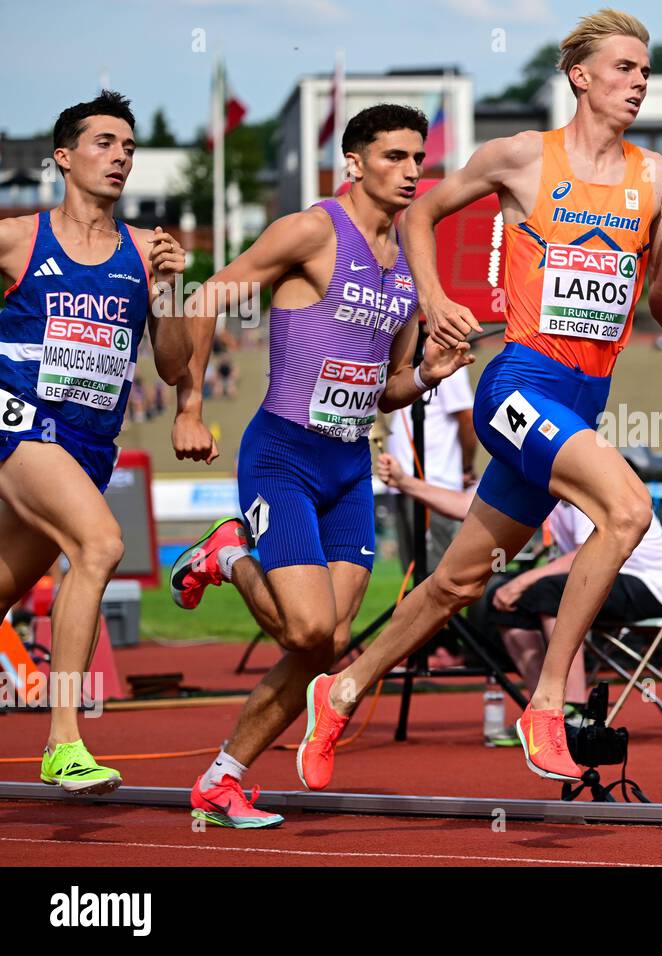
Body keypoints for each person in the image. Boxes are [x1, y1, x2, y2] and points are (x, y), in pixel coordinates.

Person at [295, 8, 662, 787]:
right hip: (519, 384)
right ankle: (548, 702)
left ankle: (340, 689)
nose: (639, 82)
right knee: (626, 510)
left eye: (646, 71)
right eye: (624, 68)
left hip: (582, 401)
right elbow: (421, 212)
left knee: (456, 581)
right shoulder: (520, 159)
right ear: (581, 76)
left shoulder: (654, 177)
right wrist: (436, 297)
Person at [167, 105, 472, 829]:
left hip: (347, 467)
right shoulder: (311, 230)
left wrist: (430, 372)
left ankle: (221, 780)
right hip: (284, 454)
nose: (410, 172)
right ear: (355, 163)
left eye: (416, 160)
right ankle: (230, 552)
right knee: (305, 632)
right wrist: (188, 406)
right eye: (394, 157)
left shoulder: (406, 266)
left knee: (329, 643)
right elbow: (208, 296)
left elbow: (388, 385)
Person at [0, 91, 189, 794]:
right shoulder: (20, 237)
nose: (120, 157)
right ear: (63, 157)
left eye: (130, 148)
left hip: (87, 446)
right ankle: (63, 740)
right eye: (104, 143)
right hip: (18, 421)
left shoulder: (146, 252)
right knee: (101, 545)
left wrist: (169, 288)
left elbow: (172, 366)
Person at [374, 453, 662, 737]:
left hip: (648, 583)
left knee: (549, 592)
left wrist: (524, 580)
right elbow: (469, 506)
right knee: (505, 604)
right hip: (598, 576)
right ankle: (544, 710)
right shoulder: (539, 476)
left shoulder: (586, 479)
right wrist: (405, 483)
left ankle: (573, 711)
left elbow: (587, 554)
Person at [383, 362, 477, 573]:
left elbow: (467, 418)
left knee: (434, 573)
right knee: (414, 570)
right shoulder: (413, 362)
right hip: (405, 484)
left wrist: (466, 467)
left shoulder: (446, 361)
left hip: (434, 484)